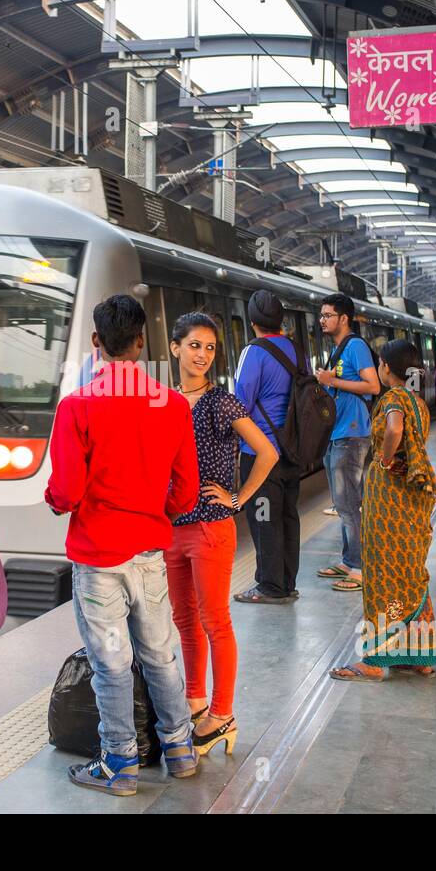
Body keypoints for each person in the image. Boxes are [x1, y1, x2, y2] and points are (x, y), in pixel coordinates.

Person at [46, 294, 200, 796]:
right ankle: (180, 752)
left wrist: (55, 498)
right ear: (141, 343)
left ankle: (119, 765)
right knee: (160, 653)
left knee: (111, 662)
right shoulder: (173, 405)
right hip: (150, 555)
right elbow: (188, 492)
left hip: (98, 559)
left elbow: (66, 493)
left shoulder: (77, 407)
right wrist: (159, 513)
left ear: (97, 343)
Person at [166, 312, 278, 756]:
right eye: (194, 345)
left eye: (210, 348)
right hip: (173, 526)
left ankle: (223, 713)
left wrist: (239, 497)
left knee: (216, 621)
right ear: (175, 347)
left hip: (212, 526)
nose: (203, 355)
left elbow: (267, 451)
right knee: (185, 621)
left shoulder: (221, 403)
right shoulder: (166, 401)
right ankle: (195, 700)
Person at [330, 339, 436, 682]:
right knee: (410, 571)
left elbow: (394, 427)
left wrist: (384, 458)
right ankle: (420, 655)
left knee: (381, 573)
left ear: (386, 367)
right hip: (413, 499)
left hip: (390, 498)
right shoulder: (419, 402)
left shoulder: (394, 397)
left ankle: (375, 661)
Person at [232, 289, 303, 605]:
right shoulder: (296, 351)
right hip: (293, 450)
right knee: (288, 515)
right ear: (280, 320)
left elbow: (240, 404)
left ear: (252, 320)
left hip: (261, 452)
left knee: (263, 518)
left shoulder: (254, 352)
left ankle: (269, 586)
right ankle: (287, 582)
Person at [314, 293, 380, 591]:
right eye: (322, 315)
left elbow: (373, 385)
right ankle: (348, 559)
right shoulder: (339, 348)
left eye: (328, 315)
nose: (322, 320)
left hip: (352, 435)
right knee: (343, 503)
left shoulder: (355, 347)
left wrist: (333, 382)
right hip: (337, 433)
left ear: (344, 318)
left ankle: (360, 567)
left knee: (350, 503)